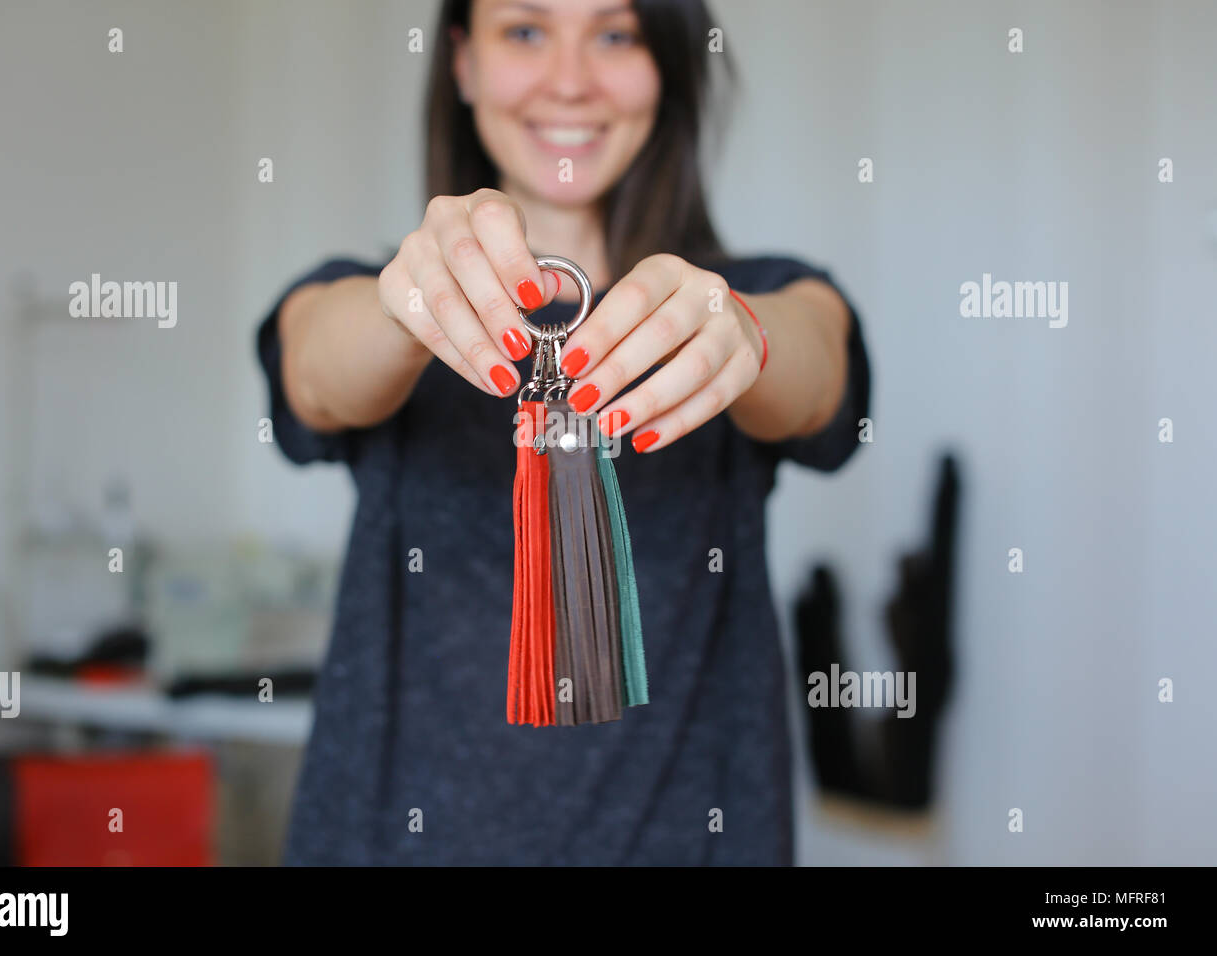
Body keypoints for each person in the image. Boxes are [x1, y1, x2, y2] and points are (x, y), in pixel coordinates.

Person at [256, 0, 870, 865]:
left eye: (615, 34)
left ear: (670, 66)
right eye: (526, 31)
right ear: (464, 64)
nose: (571, 80)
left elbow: (822, 378)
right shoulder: (375, 297)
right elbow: (313, 375)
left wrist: (741, 332)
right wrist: (409, 303)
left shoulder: (752, 296)